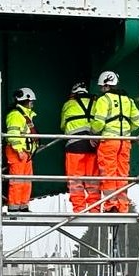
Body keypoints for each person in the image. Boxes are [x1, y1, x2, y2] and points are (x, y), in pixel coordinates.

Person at [90, 71, 139, 213]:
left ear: (106, 86)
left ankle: (110, 205)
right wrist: (125, 131)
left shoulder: (103, 100)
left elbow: (99, 123)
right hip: (125, 142)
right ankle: (122, 207)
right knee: (122, 174)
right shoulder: (129, 101)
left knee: (108, 173)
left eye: (102, 87)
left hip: (109, 142)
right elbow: (137, 122)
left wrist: (93, 133)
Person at [59, 82, 99, 213]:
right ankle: (95, 209)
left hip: (74, 147)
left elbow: (63, 125)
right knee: (93, 181)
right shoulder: (95, 103)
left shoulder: (68, 104)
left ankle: (79, 209)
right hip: (93, 146)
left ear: (73, 93)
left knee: (75, 180)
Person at [4, 88, 38, 212]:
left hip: (26, 153)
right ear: (26, 101)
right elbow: (13, 134)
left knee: (26, 181)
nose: (32, 104)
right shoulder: (15, 115)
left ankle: (23, 205)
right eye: (31, 102)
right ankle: (14, 206)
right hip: (17, 152)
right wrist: (19, 150)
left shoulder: (24, 115)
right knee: (17, 180)